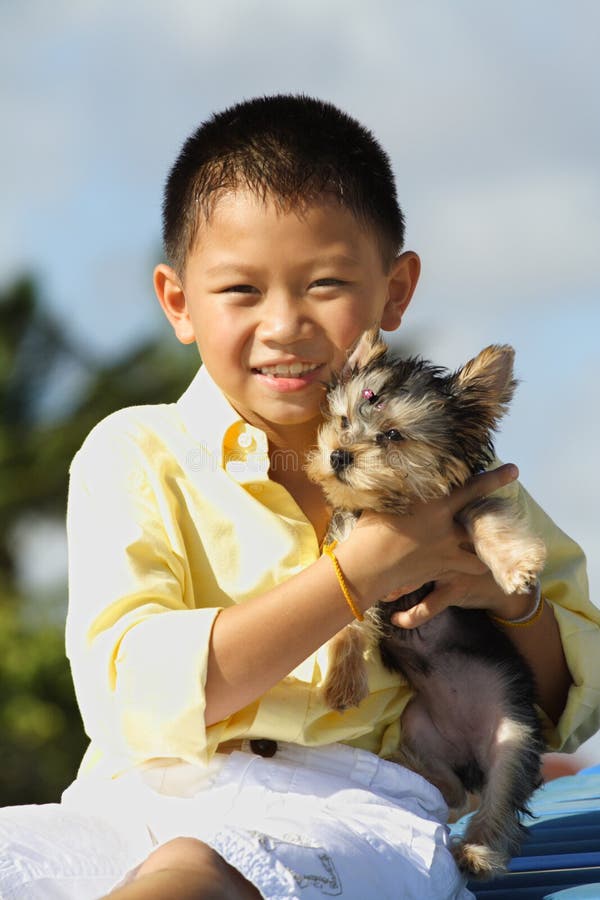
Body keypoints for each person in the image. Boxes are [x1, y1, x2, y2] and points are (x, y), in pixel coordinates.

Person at [1, 94, 599, 900]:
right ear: (178, 302)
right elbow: (131, 691)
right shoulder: (135, 454)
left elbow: (564, 700)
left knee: (193, 874)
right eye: (241, 291)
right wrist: (364, 568)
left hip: (356, 809)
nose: (283, 325)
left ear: (396, 289)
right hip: (132, 797)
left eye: (324, 283)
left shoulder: (452, 476)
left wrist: (505, 598)